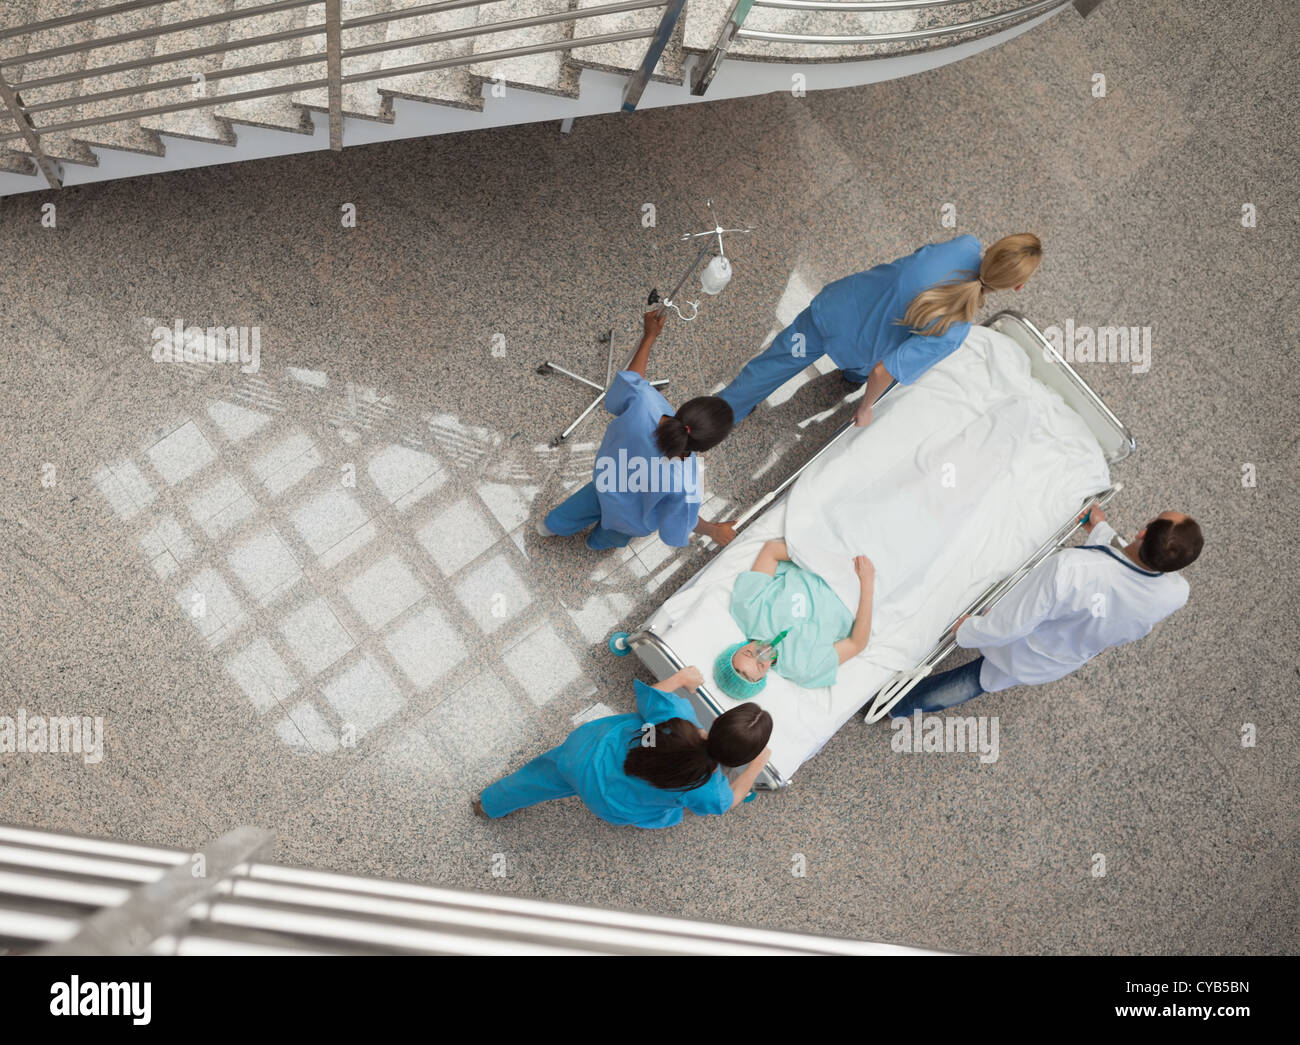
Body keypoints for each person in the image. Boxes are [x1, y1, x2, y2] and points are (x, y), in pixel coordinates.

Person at [886, 508, 1203, 716]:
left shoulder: (1071, 569)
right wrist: (1101, 529)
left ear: (1142, 533)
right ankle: (898, 710)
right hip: (1060, 655)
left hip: (1025, 640)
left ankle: (895, 702)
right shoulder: (1177, 593)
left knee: (968, 679)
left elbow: (1011, 625)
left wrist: (966, 629)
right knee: (978, 682)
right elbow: (1128, 568)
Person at [718, 233, 1043, 424]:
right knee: (880, 373)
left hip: (834, 313)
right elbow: (883, 371)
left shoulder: (963, 244)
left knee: (777, 362)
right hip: (864, 354)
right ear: (1017, 287)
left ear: (995, 247)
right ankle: (849, 377)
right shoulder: (954, 329)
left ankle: (726, 409)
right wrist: (865, 407)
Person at [538, 308, 739, 549]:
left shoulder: (646, 403)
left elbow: (633, 379)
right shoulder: (687, 482)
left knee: (575, 509)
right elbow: (681, 521)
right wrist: (713, 530)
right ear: (706, 446)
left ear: (685, 407)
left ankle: (549, 527)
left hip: (603, 484)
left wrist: (649, 336)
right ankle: (594, 544)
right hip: (630, 520)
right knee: (609, 537)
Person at [475, 666, 773, 828]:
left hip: (583, 756)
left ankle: (488, 805)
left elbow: (652, 695)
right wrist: (756, 767)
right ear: (739, 759)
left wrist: (682, 678)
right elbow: (728, 801)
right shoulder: (706, 786)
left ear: (718, 721)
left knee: (537, 778)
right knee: (673, 815)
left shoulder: (677, 719)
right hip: (612, 805)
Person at [712, 540, 875, 699]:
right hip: (859, 588)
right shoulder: (804, 670)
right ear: (763, 678)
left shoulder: (746, 608)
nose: (763, 652)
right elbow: (856, 643)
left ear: (736, 648)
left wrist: (828, 561)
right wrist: (867, 583)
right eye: (761, 664)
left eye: (749, 652)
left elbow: (772, 551)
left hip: (825, 555)